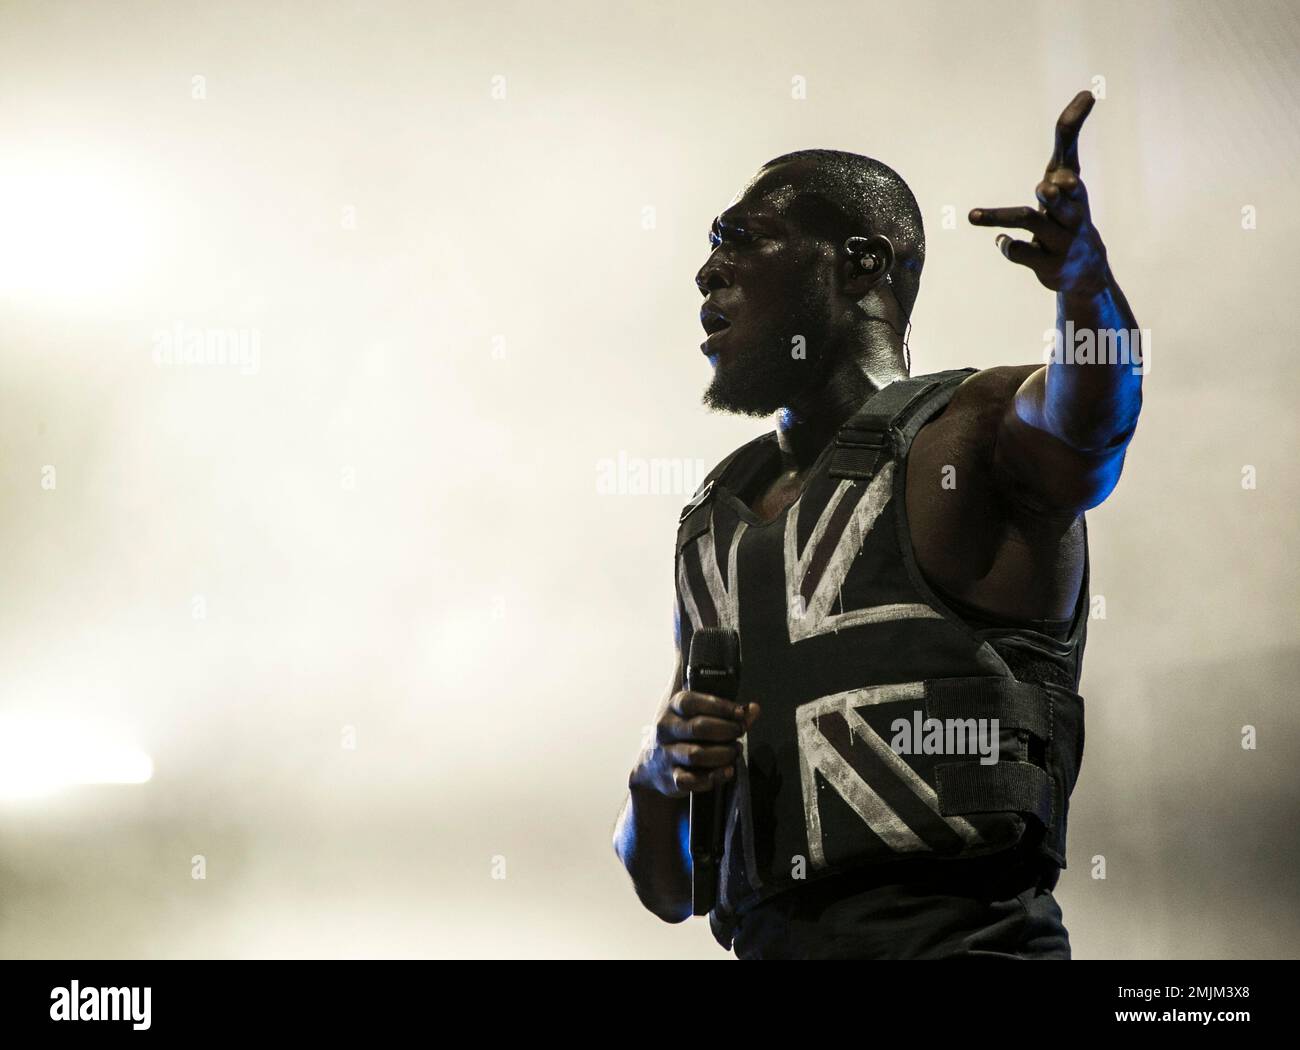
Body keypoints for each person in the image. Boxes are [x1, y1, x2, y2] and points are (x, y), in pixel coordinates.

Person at [612, 91, 1142, 959]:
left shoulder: (971, 432)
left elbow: (1094, 426)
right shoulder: (716, 522)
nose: (708, 272)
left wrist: (1087, 286)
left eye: (738, 239)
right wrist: (656, 776)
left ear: (860, 264)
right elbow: (671, 889)